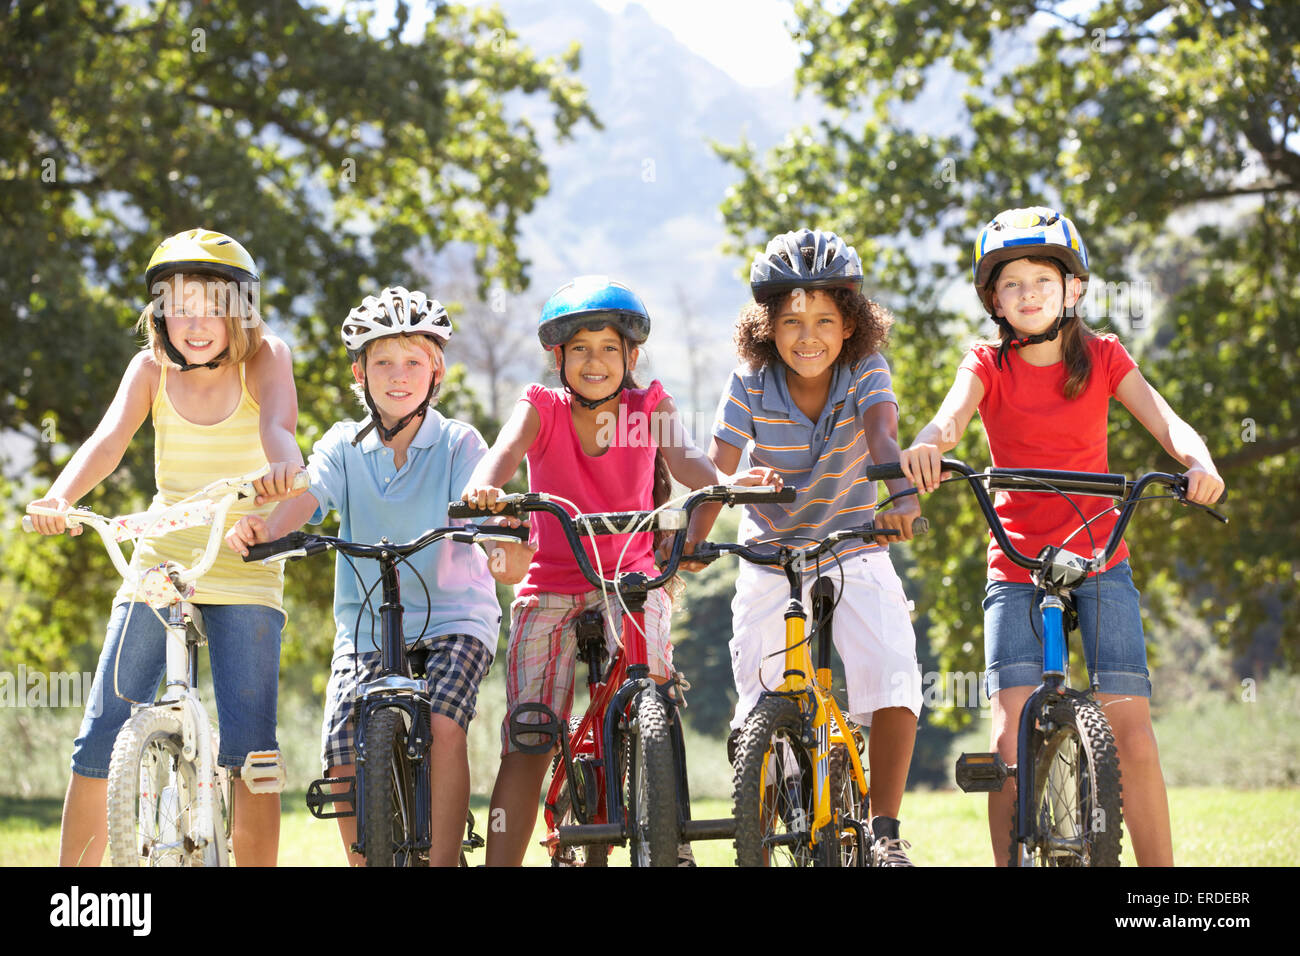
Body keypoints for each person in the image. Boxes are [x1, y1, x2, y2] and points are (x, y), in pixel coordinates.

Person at [899, 205, 1225, 866]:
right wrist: (929, 446)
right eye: (1011, 284)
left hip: (1100, 555)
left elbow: (1166, 422)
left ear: (1072, 289)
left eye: (1042, 281)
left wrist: (1199, 461)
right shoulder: (986, 363)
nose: (1027, 294)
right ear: (993, 298)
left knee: (1131, 730)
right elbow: (948, 420)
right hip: (1016, 561)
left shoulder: (1103, 356)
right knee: (1008, 741)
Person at [461, 274, 774, 866]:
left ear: (631, 355)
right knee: (530, 734)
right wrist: (484, 488)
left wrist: (726, 486)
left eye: (609, 348)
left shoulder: (647, 407)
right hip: (551, 583)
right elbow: (502, 454)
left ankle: (669, 840)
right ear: (558, 357)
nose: (595, 361)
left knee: (651, 695)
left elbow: (688, 462)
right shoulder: (542, 409)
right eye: (579, 348)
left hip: (628, 585)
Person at [28, 227, 302, 866]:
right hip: (162, 561)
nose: (197, 322)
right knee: (100, 737)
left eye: (214, 306)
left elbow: (277, 426)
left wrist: (284, 469)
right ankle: (75, 891)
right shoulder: (149, 370)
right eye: (181, 306)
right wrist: (59, 499)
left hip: (243, 559)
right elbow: (108, 441)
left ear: (241, 311)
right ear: (159, 312)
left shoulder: (267, 358)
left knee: (251, 751)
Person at [227, 286, 501, 867]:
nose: (397, 375)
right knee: (343, 752)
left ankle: (446, 860)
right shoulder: (341, 444)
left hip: (456, 617)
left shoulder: (459, 443)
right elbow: (309, 495)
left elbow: (476, 503)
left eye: (412, 361)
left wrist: (485, 516)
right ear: (360, 371)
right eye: (382, 362)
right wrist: (269, 529)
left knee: (446, 726)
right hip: (368, 627)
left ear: (436, 371)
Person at [686, 228, 925, 866]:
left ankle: (885, 829)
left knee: (894, 669)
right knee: (757, 701)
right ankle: (765, 827)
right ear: (766, 327)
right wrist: (688, 544)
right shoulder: (750, 380)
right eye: (791, 320)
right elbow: (718, 469)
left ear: (852, 325)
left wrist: (902, 499)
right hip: (771, 550)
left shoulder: (865, 370)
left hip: (853, 541)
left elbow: (882, 437)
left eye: (824, 319)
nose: (808, 335)